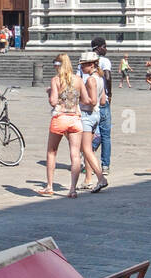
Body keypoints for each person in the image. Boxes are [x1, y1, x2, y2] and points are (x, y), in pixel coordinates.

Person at [41, 53, 86, 197]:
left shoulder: (56, 80)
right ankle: (73, 189)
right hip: (75, 119)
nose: (54, 66)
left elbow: (53, 102)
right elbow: (86, 99)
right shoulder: (78, 80)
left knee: (52, 152)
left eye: (55, 63)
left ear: (59, 65)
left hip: (60, 117)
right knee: (75, 155)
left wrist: (50, 93)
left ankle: (49, 186)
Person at [77, 52, 108, 192]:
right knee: (88, 148)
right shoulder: (100, 78)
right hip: (96, 114)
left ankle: (101, 178)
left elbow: (93, 101)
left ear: (91, 64)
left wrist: (79, 98)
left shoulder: (90, 80)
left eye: (83, 64)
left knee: (86, 149)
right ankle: (88, 179)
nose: (82, 67)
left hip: (87, 115)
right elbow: (102, 100)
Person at [90, 37, 112, 176]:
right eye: (104, 46)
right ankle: (105, 166)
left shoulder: (84, 61)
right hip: (102, 101)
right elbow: (108, 77)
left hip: (89, 102)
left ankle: (87, 160)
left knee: (89, 133)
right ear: (98, 48)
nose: (106, 49)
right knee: (105, 135)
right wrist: (110, 93)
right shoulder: (104, 61)